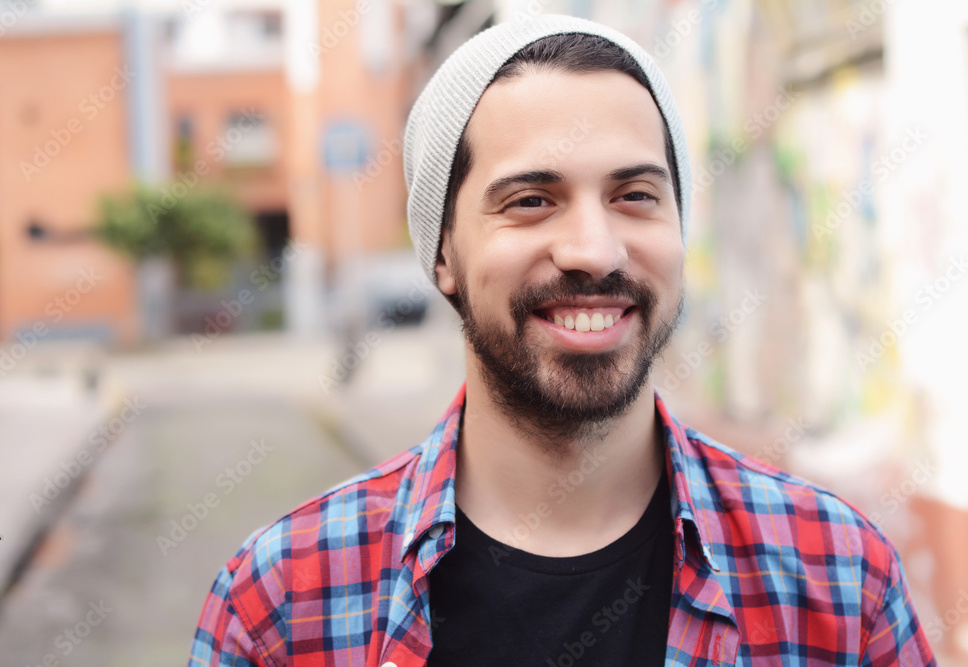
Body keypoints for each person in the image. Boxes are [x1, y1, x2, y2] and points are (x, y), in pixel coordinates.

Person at [188, 14, 936, 667]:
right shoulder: (283, 601)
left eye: (634, 195)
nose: (594, 250)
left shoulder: (837, 576)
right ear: (443, 252)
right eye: (532, 200)